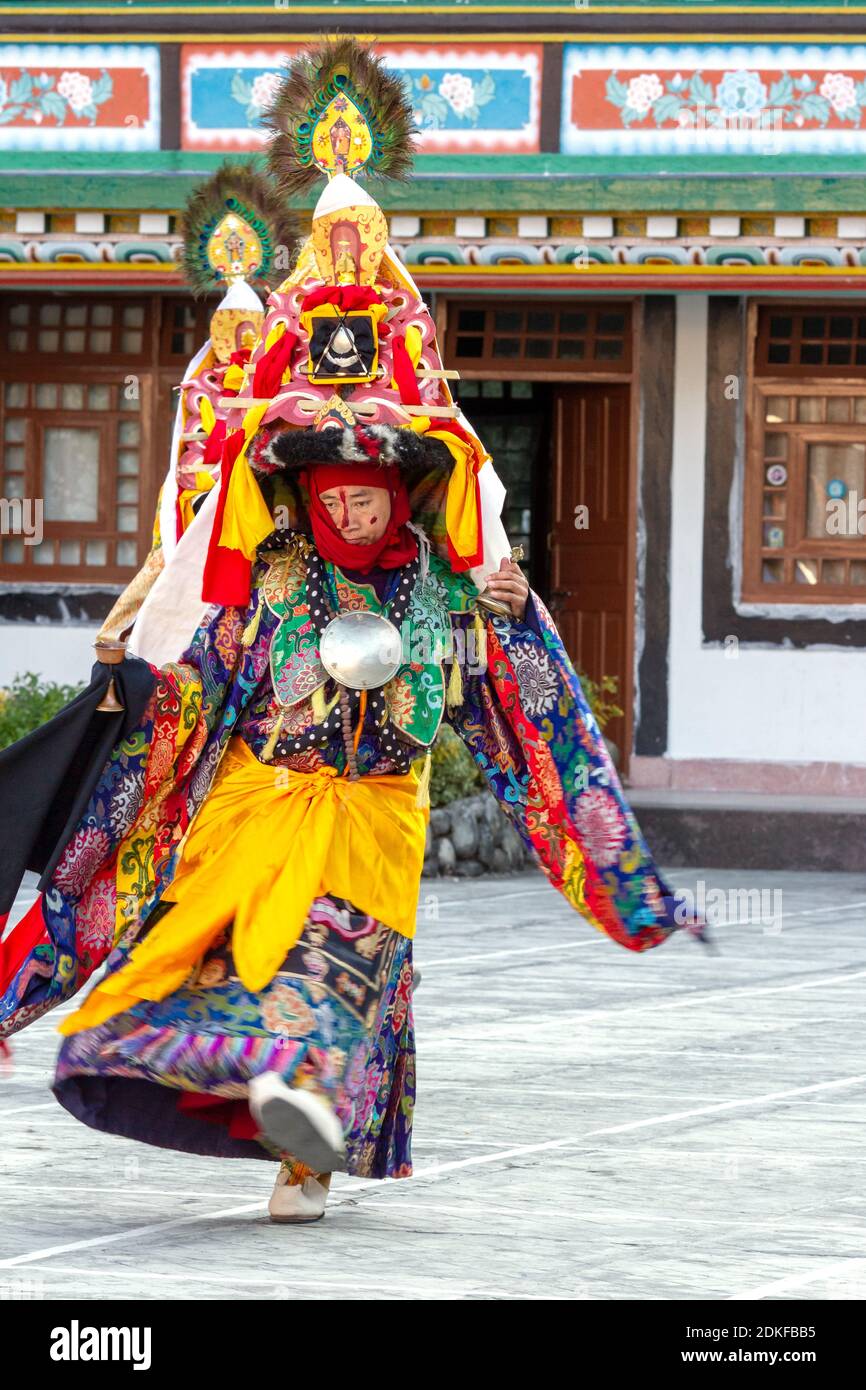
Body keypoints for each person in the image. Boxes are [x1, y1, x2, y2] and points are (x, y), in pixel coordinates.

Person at [0, 37, 702, 1226]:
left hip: (376, 819)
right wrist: (133, 689)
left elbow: (542, 728)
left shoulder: (444, 594)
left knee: (339, 986)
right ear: (311, 499)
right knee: (210, 967)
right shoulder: (267, 589)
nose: (356, 501)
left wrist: (621, 873)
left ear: (404, 492)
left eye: (374, 487)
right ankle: (240, 1110)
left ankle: (306, 1156)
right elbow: (195, 695)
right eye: (336, 490)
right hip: (260, 807)